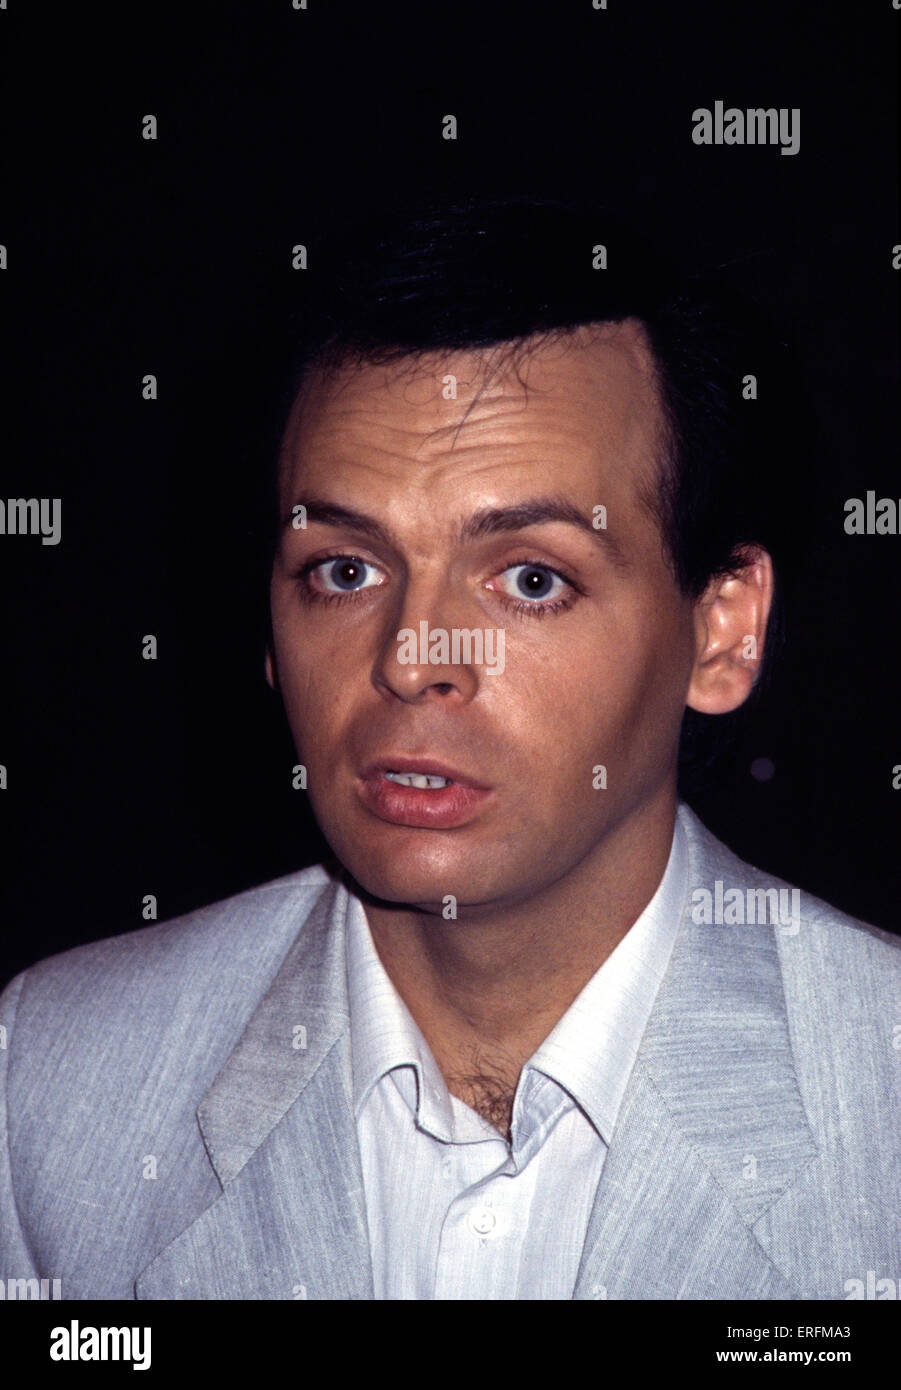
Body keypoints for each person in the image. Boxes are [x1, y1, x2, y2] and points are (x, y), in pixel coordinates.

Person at [1, 197, 898, 1301]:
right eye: (345, 569)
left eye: (531, 577)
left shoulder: (881, 1094)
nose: (412, 658)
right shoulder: (53, 1075)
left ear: (720, 630)